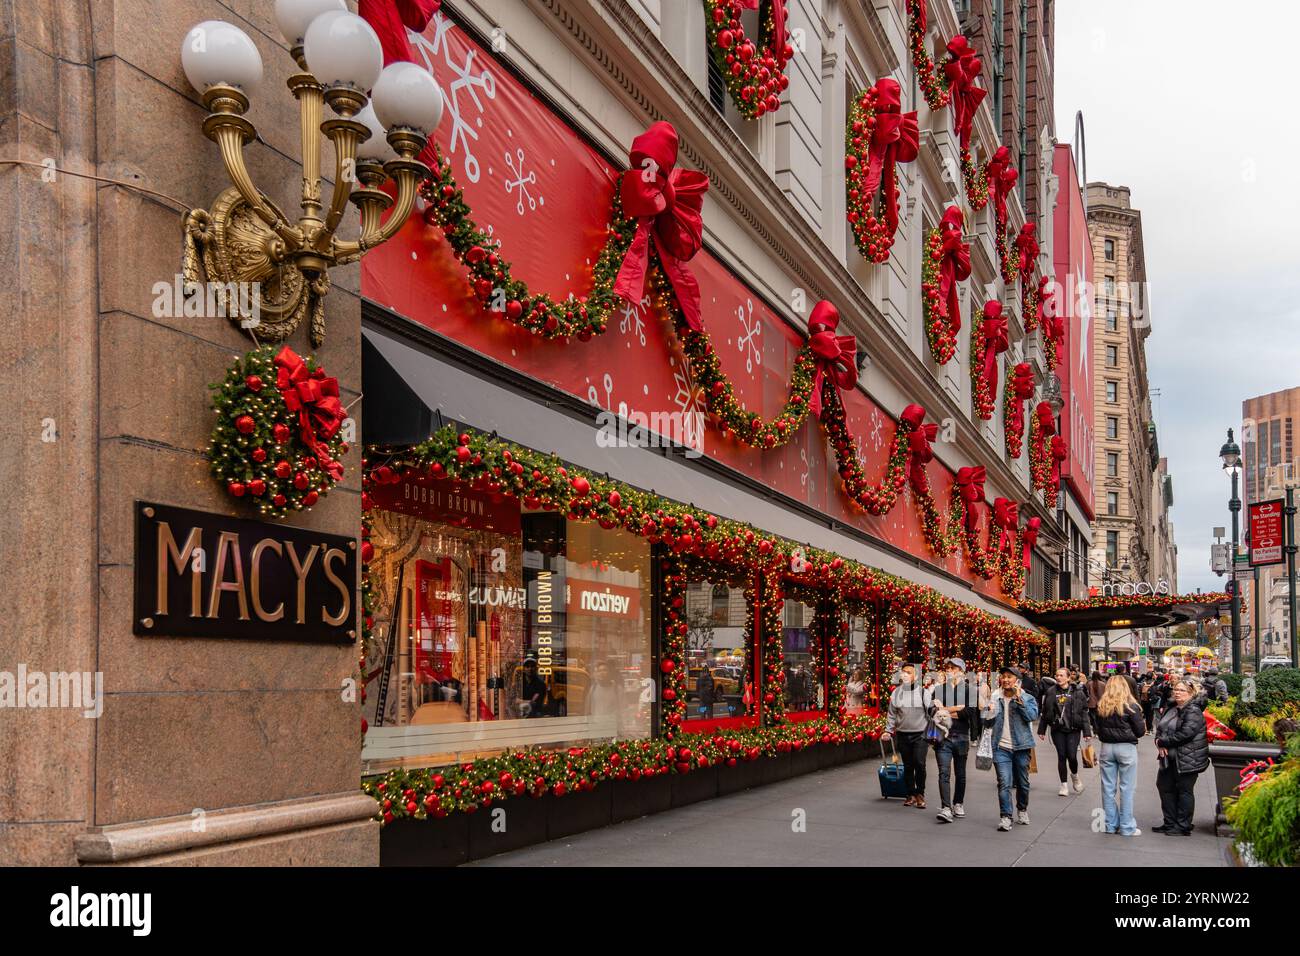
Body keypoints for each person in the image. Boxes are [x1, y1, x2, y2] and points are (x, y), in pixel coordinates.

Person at [1153, 678, 1209, 836]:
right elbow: (1160, 728)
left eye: (1181, 690)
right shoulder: (1171, 707)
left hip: (1188, 757)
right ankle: (1170, 822)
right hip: (1169, 757)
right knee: (1164, 786)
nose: (1177, 692)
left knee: (1184, 790)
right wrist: (1159, 742)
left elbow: (1186, 734)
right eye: (1176, 689)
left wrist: (1164, 741)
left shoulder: (1193, 710)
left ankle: (1183, 825)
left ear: (1191, 693)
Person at [985, 665, 1039, 831]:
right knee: (1004, 783)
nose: (1006, 679)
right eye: (1004, 676)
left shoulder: (1027, 697)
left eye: (1010, 677)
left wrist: (1018, 700)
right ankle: (1006, 816)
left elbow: (1032, 716)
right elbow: (986, 724)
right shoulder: (995, 697)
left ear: (1017, 680)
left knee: (1023, 783)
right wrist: (988, 713)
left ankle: (1022, 809)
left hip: (1022, 746)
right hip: (1000, 747)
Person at [1095, 675, 1146, 836]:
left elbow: (1097, 728)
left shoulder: (1102, 706)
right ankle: (1127, 826)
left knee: (1108, 788)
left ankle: (1110, 824)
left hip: (1106, 748)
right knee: (1127, 789)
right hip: (1126, 748)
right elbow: (1140, 731)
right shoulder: (1131, 706)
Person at [880, 662, 934, 810]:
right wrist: (888, 730)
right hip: (903, 734)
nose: (905, 674)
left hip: (920, 734)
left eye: (909, 672)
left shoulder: (924, 693)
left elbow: (931, 714)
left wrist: (934, 732)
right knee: (908, 765)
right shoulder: (896, 693)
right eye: (903, 672)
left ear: (915, 676)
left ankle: (920, 794)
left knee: (919, 763)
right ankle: (910, 794)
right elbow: (892, 715)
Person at [932, 658, 980, 823]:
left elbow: (969, 712)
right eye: (948, 667)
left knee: (960, 774)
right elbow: (931, 710)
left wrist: (943, 709)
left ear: (962, 671)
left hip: (961, 736)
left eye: (954, 668)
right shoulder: (939, 689)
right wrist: (955, 708)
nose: (950, 670)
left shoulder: (970, 690)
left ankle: (958, 803)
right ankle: (946, 807)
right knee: (943, 772)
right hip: (942, 736)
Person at [1037, 666, 1094, 796]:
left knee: (1072, 756)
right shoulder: (1051, 691)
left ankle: (1074, 776)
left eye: (1062, 675)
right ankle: (1064, 785)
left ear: (1068, 678)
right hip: (1057, 729)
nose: (1058, 677)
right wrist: (1042, 729)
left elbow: (1084, 712)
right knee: (1062, 756)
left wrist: (1087, 732)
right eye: (1057, 675)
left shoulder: (1077, 692)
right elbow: (1045, 711)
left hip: (1073, 729)